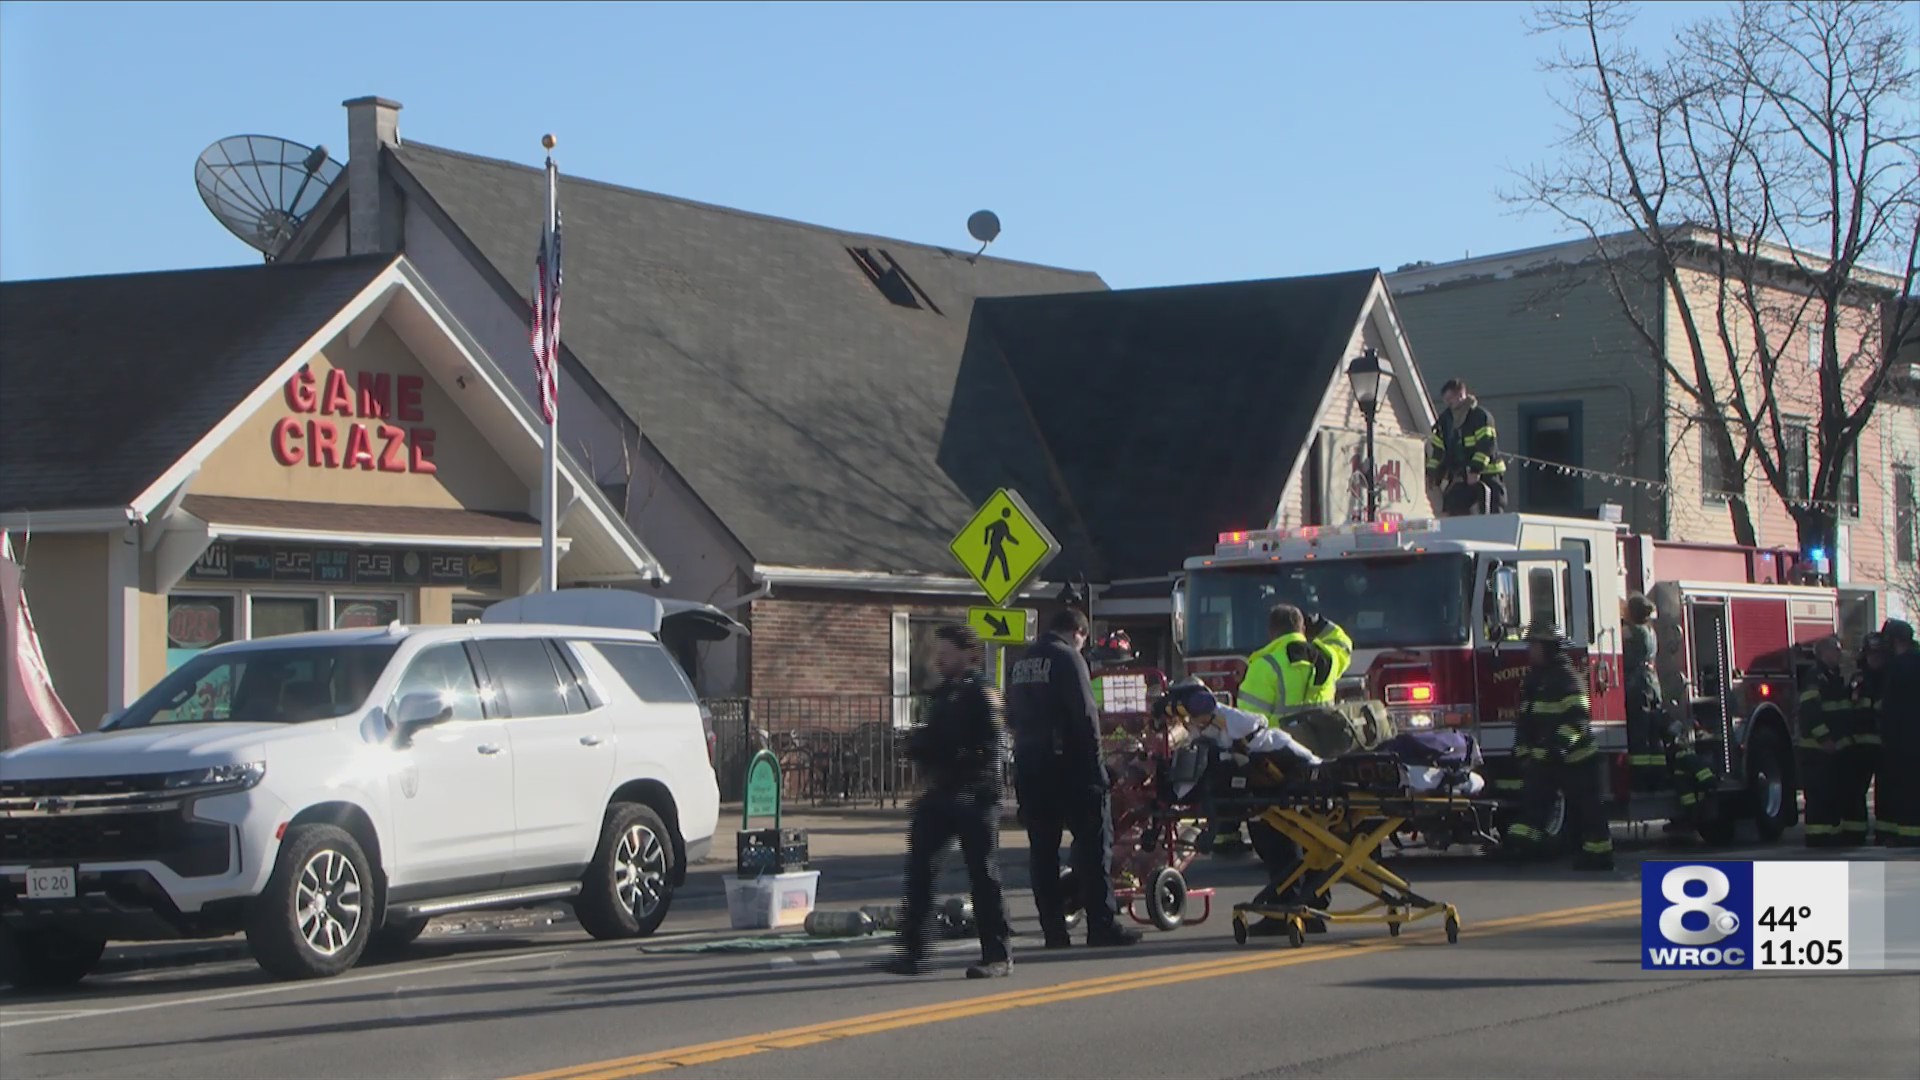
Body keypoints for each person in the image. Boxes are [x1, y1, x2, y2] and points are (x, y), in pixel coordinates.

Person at [1005, 608, 1142, 948]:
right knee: (1094, 847)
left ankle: (1054, 930)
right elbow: (1085, 715)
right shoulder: (1068, 659)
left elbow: (1010, 714)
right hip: (1071, 768)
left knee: (1043, 853)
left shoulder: (1021, 662)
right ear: (1079, 632)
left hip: (1030, 766)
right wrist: (1097, 769)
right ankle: (1101, 925)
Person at [884, 625, 1013, 978]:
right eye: (937, 651)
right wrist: (919, 750)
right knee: (920, 869)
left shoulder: (983, 693)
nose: (939, 658)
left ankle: (997, 955)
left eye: (947, 651)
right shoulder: (942, 695)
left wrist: (966, 767)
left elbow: (994, 745)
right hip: (941, 794)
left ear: (968, 654)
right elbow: (934, 742)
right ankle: (913, 951)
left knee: (982, 874)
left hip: (976, 793)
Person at [1167, 682, 1326, 935]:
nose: (1189, 724)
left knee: (1278, 843)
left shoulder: (1237, 726)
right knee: (1278, 842)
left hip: (1293, 773)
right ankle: (1302, 907)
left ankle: (1290, 910)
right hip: (1268, 777)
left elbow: (1236, 740)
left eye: (1190, 717)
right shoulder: (1219, 726)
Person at [1505, 621, 1614, 871]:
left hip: (1579, 760)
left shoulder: (1568, 679)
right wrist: (1523, 751)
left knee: (1589, 811)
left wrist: (1556, 749)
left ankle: (1600, 856)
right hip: (1546, 759)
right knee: (1534, 805)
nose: (1529, 651)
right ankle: (1524, 848)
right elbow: (1526, 720)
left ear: (1550, 648)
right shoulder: (1534, 680)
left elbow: (1577, 719)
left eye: (1534, 645)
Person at [1238, 605, 1350, 722]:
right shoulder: (1328, 658)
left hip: (1280, 740)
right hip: (1322, 738)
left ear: (1271, 632)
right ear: (1304, 629)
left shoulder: (1263, 666)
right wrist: (1320, 624)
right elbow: (1343, 644)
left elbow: (1249, 722)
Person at [1795, 636, 1850, 849]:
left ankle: (1831, 836)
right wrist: (1825, 738)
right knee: (1819, 795)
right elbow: (1810, 712)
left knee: (1831, 794)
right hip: (1816, 749)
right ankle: (1817, 837)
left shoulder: (1833, 676)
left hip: (1831, 749)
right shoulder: (1815, 677)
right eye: (1835, 650)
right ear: (1823, 653)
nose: (1838, 654)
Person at [1424, 379, 1507, 516]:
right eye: (1445, 400)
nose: (1448, 403)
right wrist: (1433, 473)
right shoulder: (1445, 422)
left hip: (1488, 475)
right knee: (1453, 509)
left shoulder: (1480, 417)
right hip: (1460, 477)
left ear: (1461, 395)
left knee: (1493, 513)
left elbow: (1486, 446)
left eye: (1450, 398)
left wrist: (1475, 470)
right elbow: (1439, 451)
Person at [1841, 633, 1887, 845]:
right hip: (1860, 743)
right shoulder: (1858, 678)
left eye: (1878, 655)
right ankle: (1855, 833)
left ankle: (1884, 832)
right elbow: (1851, 706)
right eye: (1871, 655)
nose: (1874, 659)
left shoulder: (1891, 676)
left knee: (1887, 791)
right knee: (1854, 790)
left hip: (1885, 743)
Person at [1878, 620, 1919, 847]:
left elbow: (1890, 707)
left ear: (1895, 641)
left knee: (1905, 791)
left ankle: (1908, 837)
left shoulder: (1897, 667)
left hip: (1903, 741)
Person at [1622, 595, 1666, 792]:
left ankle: (1640, 780)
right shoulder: (1651, 631)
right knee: (1653, 733)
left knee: (1639, 734)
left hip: (1637, 686)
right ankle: (1657, 778)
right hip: (1652, 684)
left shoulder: (1632, 631)